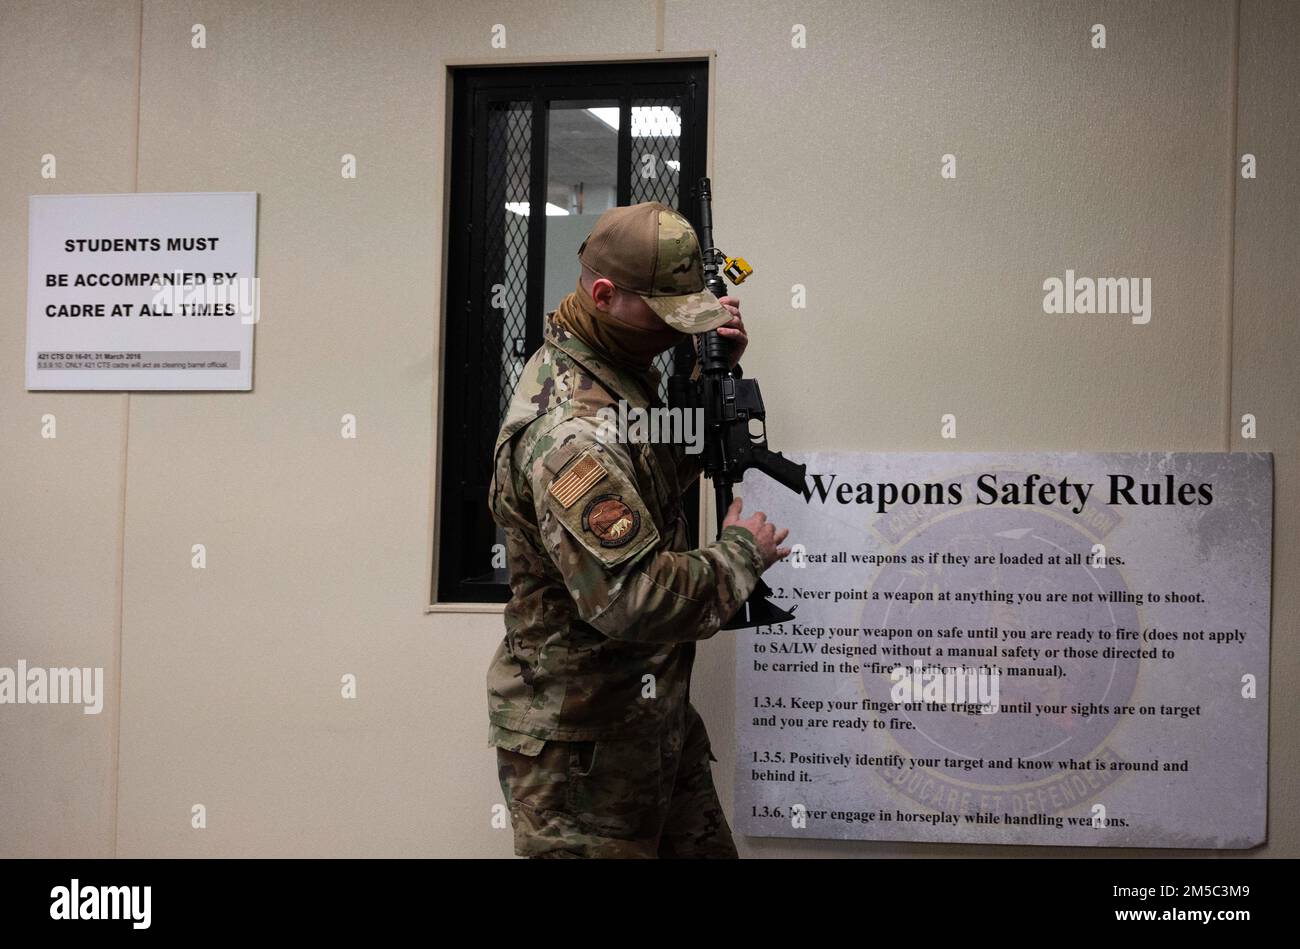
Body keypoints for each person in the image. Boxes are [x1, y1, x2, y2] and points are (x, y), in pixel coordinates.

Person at [486, 200, 792, 858]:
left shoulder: (616, 373)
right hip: (584, 754)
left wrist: (708, 366)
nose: (676, 330)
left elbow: (651, 463)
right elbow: (632, 594)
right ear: (604, 294)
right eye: (666, 316)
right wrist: (740, 554)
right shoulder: (570, 432)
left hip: (650, 722)